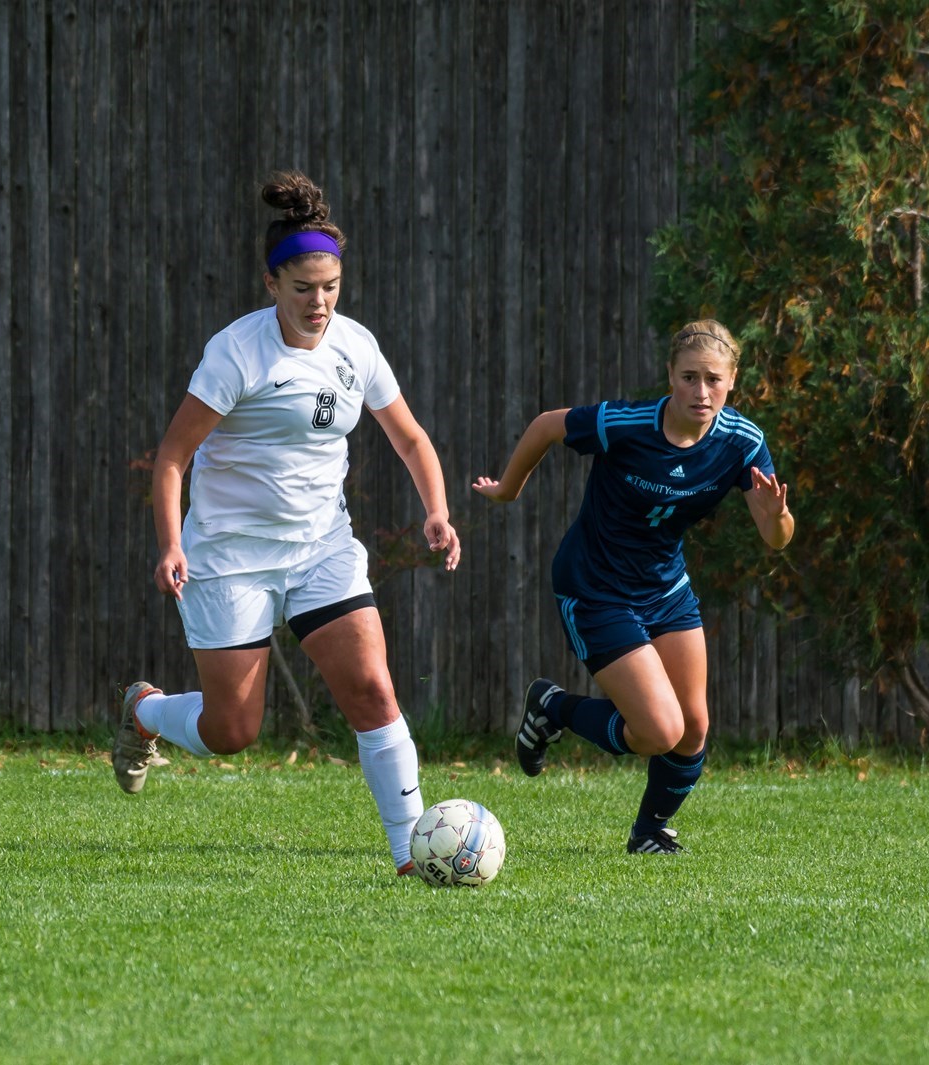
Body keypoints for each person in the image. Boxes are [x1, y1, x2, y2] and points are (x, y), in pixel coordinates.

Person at [113, 171, 461, 876]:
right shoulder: (236, 353)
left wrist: (437, 510)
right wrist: (172, 543)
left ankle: (410, 855)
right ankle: (146, 711)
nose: (319, 302)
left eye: (331, 287)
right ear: (271, 283)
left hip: (320, 548)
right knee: (233, 730)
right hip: (230, 555)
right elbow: (173, 457)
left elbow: (410, 438)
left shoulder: (355, 347)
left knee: (373, 690)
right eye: (303, 288)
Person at [472, 319, 794, 854]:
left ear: (732, 380)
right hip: (594, 588)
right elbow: (548, 425)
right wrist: (508, 488)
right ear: (670, 375)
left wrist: (776, 517)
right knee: (659, 731)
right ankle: (554, 708)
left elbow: (777, 538)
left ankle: (648, 833)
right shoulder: (625, 424)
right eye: (689, 377)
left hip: (665, 590)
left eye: (713, 379)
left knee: (693, 728)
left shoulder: (742, 442)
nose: (701, 391)